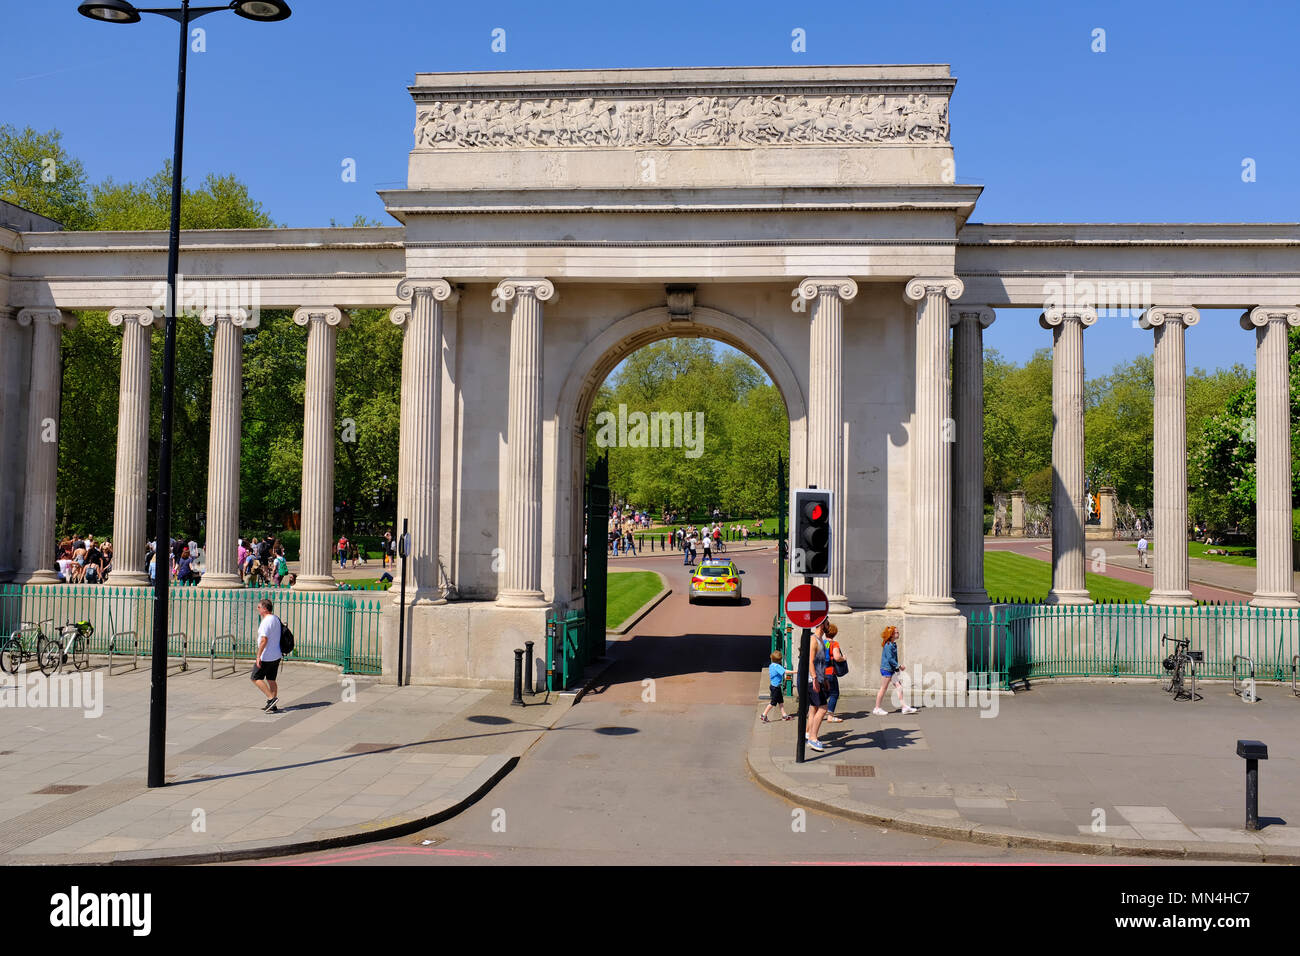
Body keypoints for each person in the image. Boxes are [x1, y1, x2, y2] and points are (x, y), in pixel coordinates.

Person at [873, 625, 917, 716]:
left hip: (891, 669)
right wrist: (899, 666)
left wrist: (896, 668)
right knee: (883, 688)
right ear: (891, 635)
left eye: (897, 632)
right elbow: (890, 659)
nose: (898, 633)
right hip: (887, 669)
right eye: (896, 632)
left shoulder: (893, 644)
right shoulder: (888, 645)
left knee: (899, 687)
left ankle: (904, 707)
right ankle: (877, 708)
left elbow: (893, 659)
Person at [251, 598, 283, 713]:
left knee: (255, 677)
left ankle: (271, 699)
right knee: (271, 679)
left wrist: (258, 656)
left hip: (266, 656)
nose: (257, 609)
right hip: (276, 654)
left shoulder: (266, 622)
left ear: (264, 609)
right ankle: (273, 706)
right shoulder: (275, 619)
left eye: (259, 607)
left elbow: (264, 640)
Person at [805, 628, 831, 751]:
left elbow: (822, 663)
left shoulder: (821, 640)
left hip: (819, 679)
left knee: (813, 708)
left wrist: (825, 679)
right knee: (823, 708)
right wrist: (815, 678)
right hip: (813, 680)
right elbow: (810, 661)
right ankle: (813, 738)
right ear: (821, 624)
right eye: (827, 622)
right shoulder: (813, 640)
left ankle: (808, 734)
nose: (829, 625)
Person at [819, 621, 846, 723]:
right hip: (830, 672)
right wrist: (843, 658)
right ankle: (830, 716)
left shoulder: (821, 642)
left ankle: (814, 711)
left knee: (824, 694)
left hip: (821, 671)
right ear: (835, 633)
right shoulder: (834, 644)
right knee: (834, 694)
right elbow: (837, 657)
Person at [761, 651, 795, 722]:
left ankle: (784, 715)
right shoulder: (777, 667)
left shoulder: (771, 665)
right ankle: (764, 715)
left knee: (781, 702)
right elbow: (785, 671)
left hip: (775, 687)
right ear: (780, 660)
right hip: (776, 688)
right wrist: (795, 671)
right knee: (773, 703)